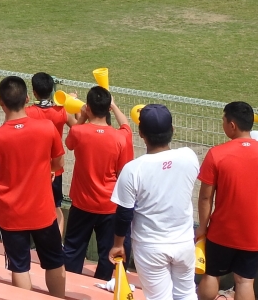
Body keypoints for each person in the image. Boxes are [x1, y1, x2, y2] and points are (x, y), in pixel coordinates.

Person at [0, 76, 66, 297]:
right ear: (28, 98)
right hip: (42, 210)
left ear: (0, 102)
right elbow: (58, 162)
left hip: (11, 213)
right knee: (54, 261)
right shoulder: (47, 128)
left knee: (19, 266)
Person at [110, 105, 199, 300]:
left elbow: (124, 213)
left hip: (150, 246)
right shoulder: (189, 157)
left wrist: (118, 244)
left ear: (141, 133)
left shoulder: (133, 169)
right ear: (172, 130)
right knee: (187, 294)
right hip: (184, 243)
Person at [61, 86, 133, 282]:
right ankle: (101, 286)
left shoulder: (79, 132)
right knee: (107, 254)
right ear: (108, 109)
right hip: (110, 205)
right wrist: (115, 106)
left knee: (73, 249)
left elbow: (69, 142)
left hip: (82, 203)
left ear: (88, 108)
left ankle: (70, 288)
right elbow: (126, 126)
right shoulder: (121, 137)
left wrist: (82, 116)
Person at [196, 102, 258, 300]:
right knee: (245, 281)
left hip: (222, 232)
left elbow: (206, 197)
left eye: (223, 120)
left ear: (232, 125)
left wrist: (202, 227)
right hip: (253, 233)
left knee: (211, 275)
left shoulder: (217, 154)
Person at [25, 71, 74, 233]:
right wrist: (70, 103)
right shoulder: (61, 112)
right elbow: (76, 127)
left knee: (34, 205)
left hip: (34, 168)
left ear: (34, 92)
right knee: (56, 207)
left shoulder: (28, 113)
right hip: (55, 168)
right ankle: (57, 243)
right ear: (52, 90)